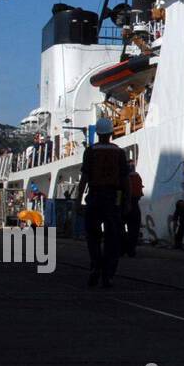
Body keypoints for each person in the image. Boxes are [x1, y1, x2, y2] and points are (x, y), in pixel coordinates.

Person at [74, 117, 131, 287]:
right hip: (112, 198)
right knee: (113, 238)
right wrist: (127, 201)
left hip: (94, 197)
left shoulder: (90, 152)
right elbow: (125, 179)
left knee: (93, 236)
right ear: (111, 133)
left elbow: (84, 178)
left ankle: (95, 266)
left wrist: (78, 200)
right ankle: (108, 274)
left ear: (97, 133)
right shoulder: (119, 153)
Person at [123, 168, 144, 257]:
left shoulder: (123, 177)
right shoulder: (137, 177)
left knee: (119, 228)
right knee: (134, 230)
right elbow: (140, 194)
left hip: (123, 204)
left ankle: (122, 249)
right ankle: (131, 250)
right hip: (135, 205)